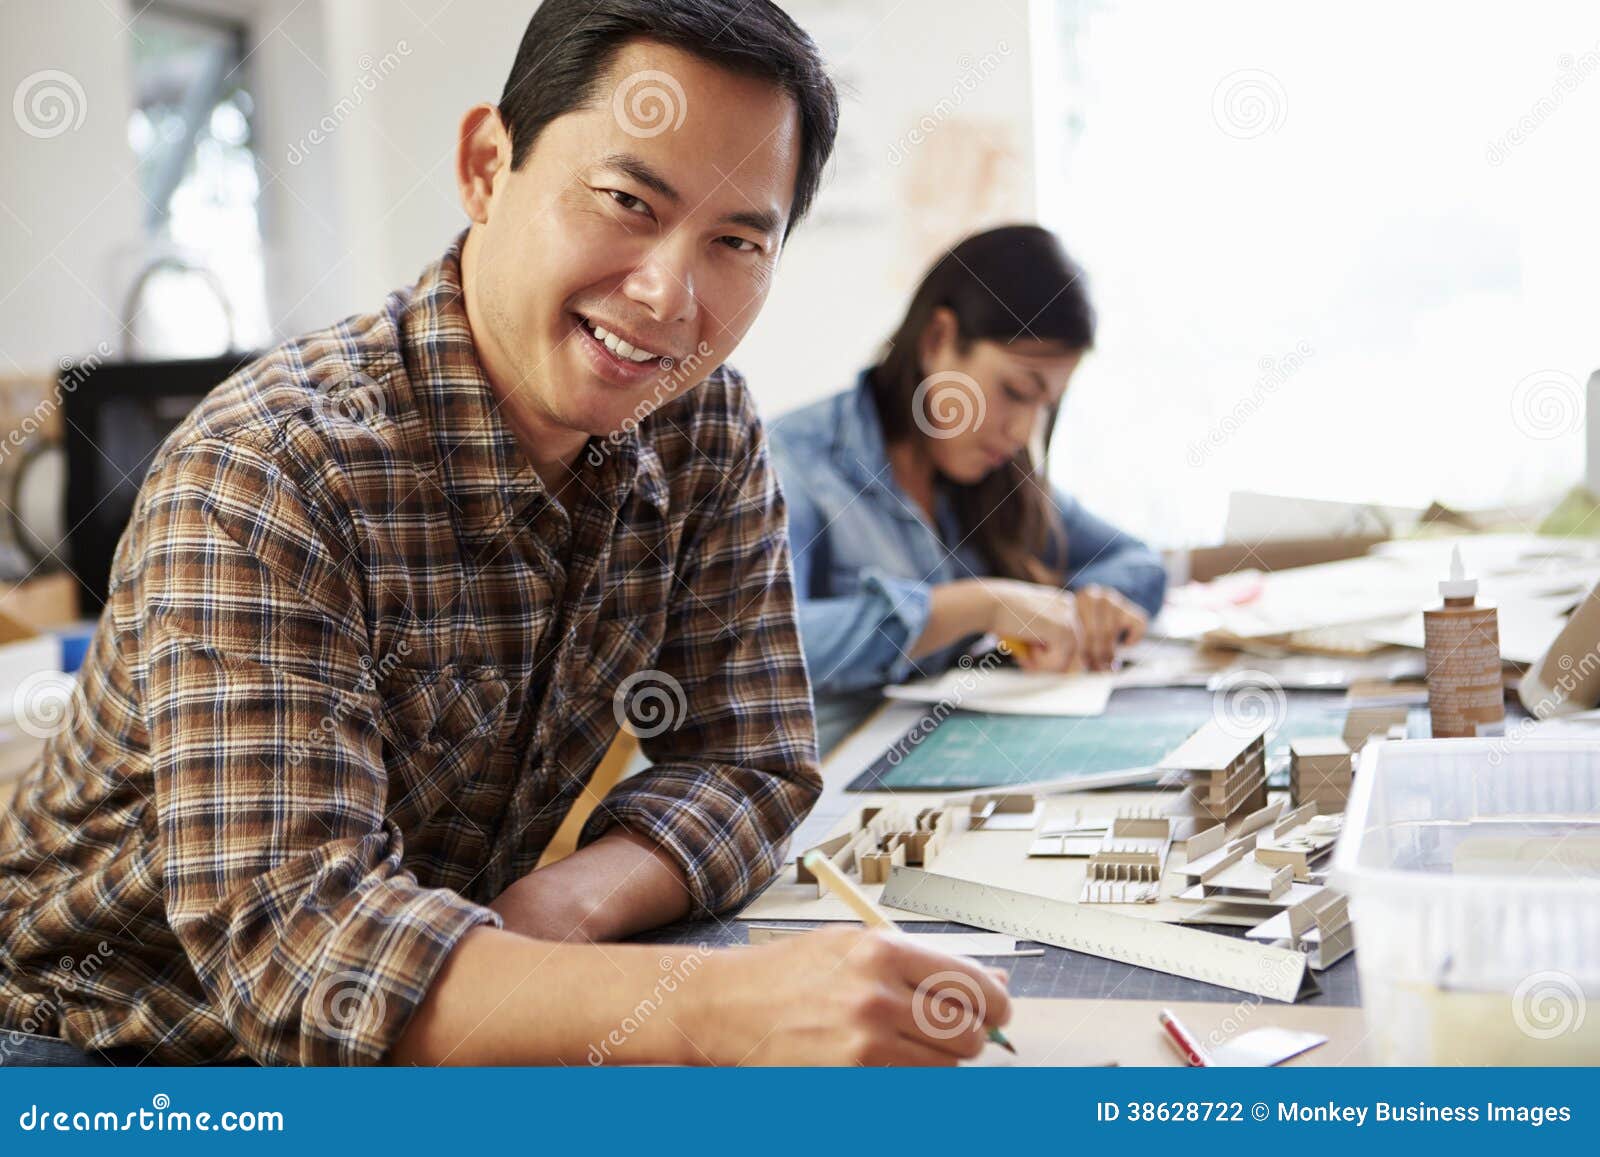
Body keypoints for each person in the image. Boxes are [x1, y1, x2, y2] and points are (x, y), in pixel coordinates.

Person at [0, 0, 1008, 1068]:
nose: (669, 296)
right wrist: (713, 1006)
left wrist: (567, 902)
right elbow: (299, 949)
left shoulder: (700, 425)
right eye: (627, 199)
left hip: (436, 995)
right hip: (103, 1047)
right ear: (487, 165)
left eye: (736, 240)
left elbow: (752, 761)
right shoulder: (275, 467)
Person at [771, 225, 1167, 752]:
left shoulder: (999, 478)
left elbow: (1140, 562)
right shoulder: (793, 458)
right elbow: (766, 645)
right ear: (938, 340)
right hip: (822, 797)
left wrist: (1082, 611)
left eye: (1045, 405)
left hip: (972, 763)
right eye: (1015, 391)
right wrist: (980, 605)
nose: (1023, 431)